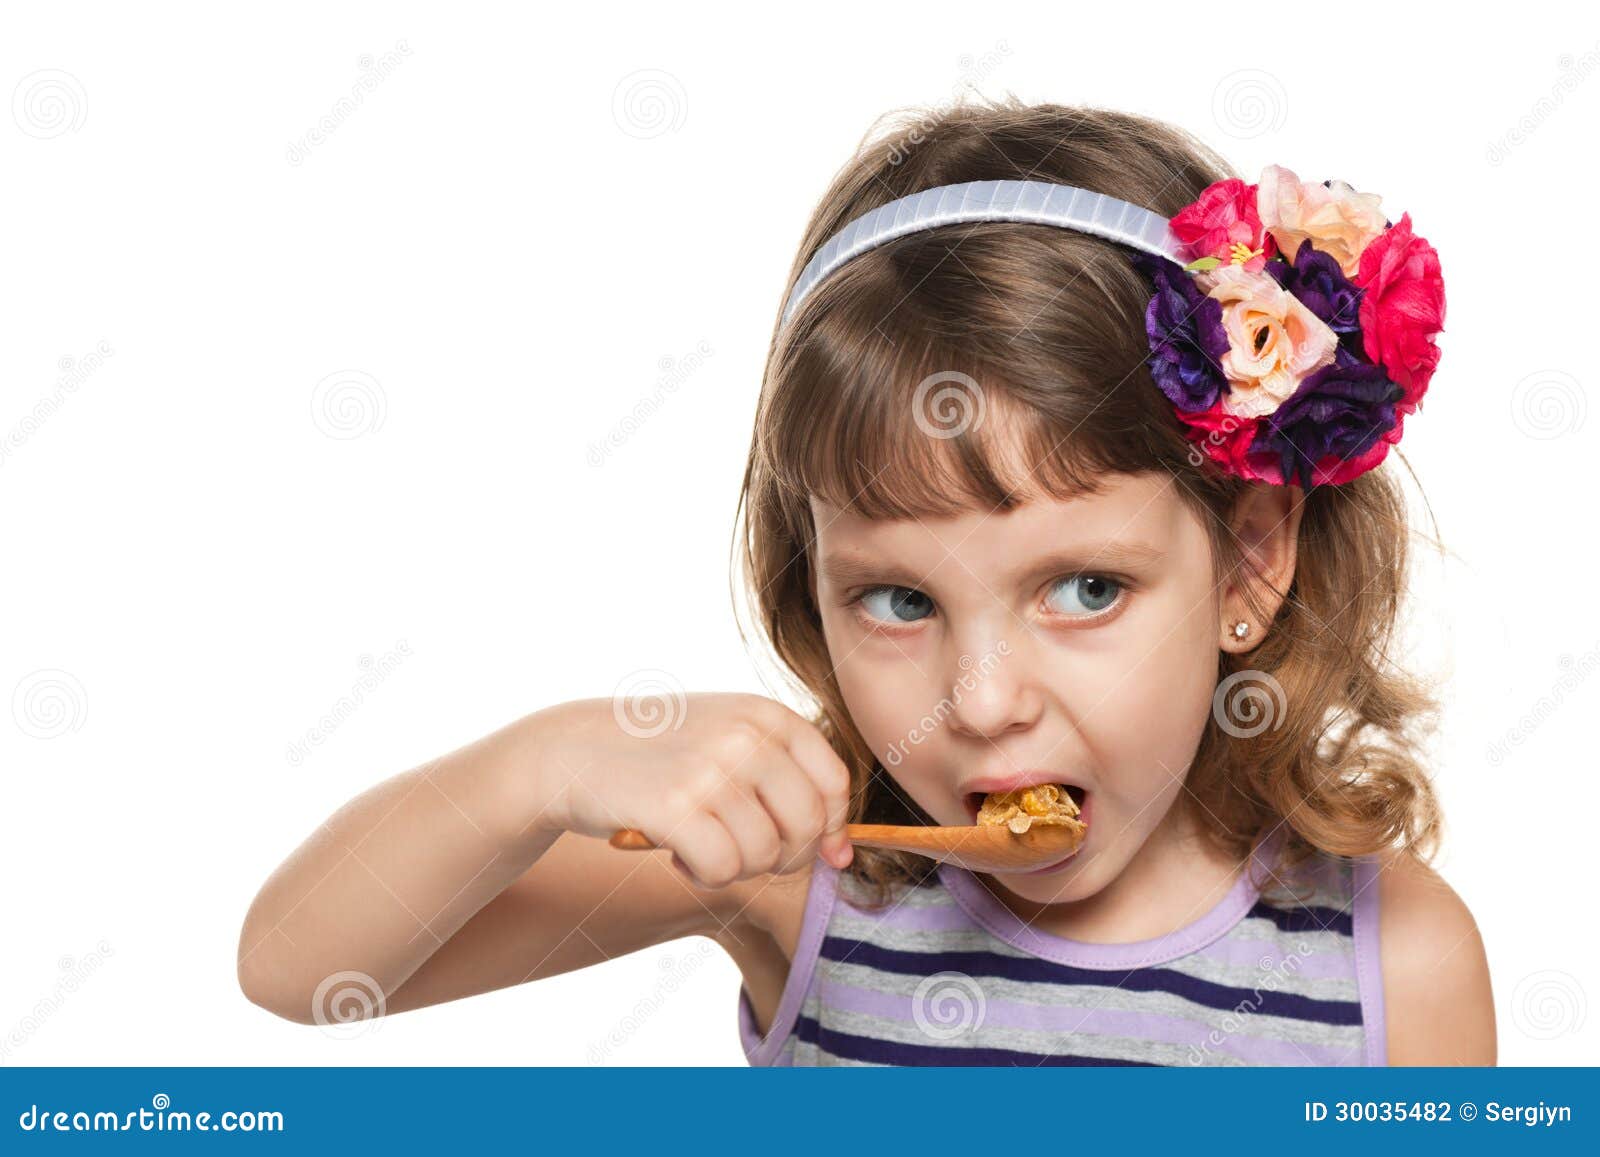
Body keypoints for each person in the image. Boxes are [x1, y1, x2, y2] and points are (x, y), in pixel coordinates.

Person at [238, 98, 1493, 1066]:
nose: (983, 700)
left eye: (1083, 589)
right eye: (899, 601)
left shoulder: (1392, 964)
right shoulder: (804, 877)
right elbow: (299, 968)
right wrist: (535, 769)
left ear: (1250, 559)